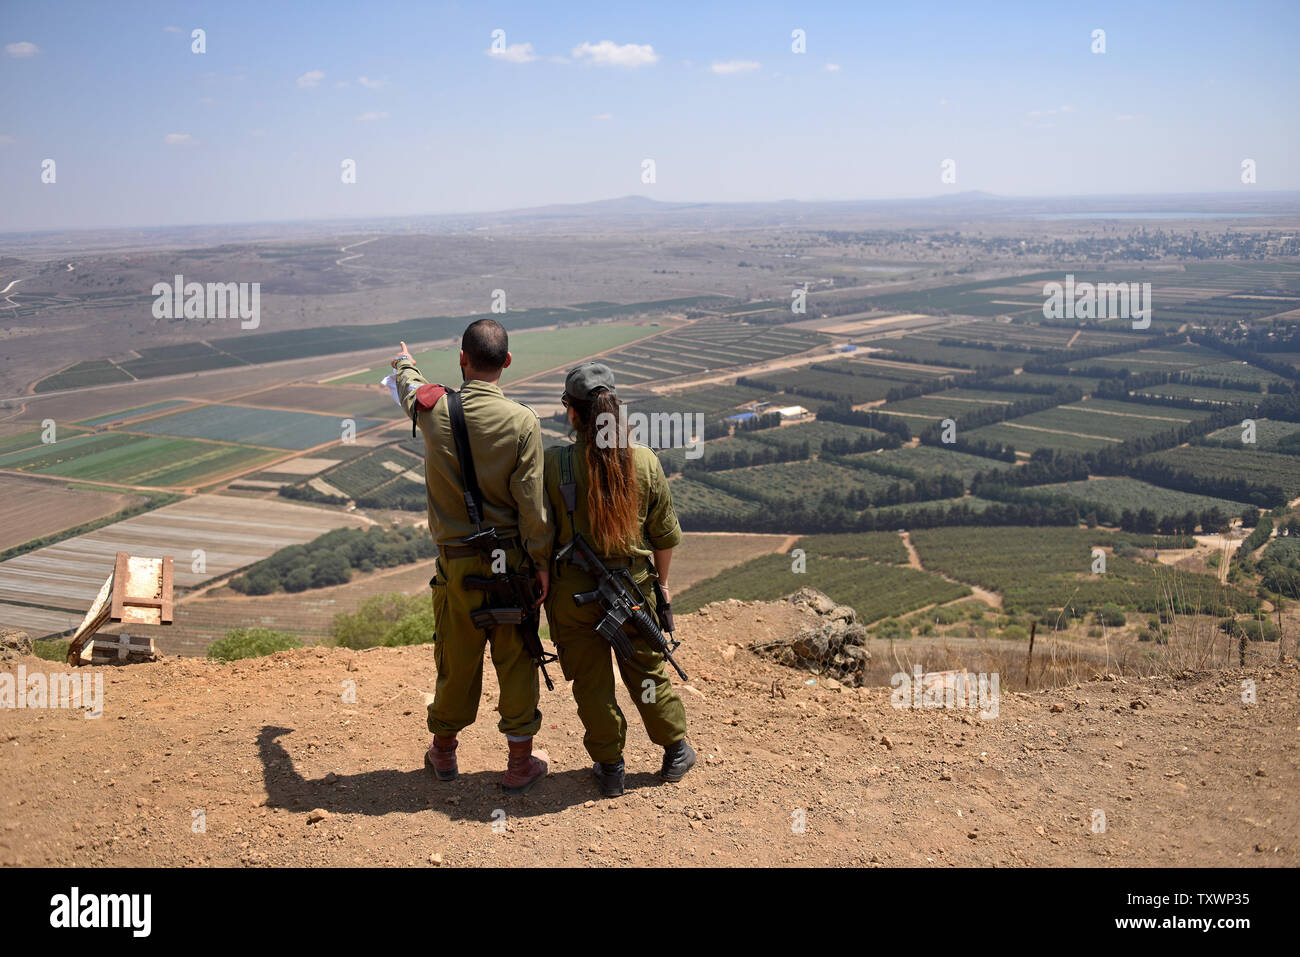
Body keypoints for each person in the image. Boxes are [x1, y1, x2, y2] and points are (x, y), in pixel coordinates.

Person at [391, 320, 551, 795]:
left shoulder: (434, 409)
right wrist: (541, 563)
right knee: (518, 656)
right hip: (513, 566)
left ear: (462, 359)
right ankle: (519, 764)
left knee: (456, 657)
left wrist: (405, 363)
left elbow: (408, 388)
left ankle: (443, 754)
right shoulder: (524, 422)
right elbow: (532, 507)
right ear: (506, 363)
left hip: (457, 564)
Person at [543, 361, 694, 798]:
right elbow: (664, 536)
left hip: (574, 595)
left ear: (572, 412)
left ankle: (610, 768)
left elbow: (541, 530)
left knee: (591, 683)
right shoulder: (644, 461)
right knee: (647, 672)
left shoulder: (555, 465)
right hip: (634, 591)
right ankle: (674, 752)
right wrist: (661, 587)